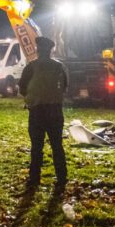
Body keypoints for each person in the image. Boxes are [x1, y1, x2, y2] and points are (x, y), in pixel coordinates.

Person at [19, 37, 68, 188]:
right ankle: (61, 178)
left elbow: (22, 88)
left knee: (36, 147)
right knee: (57, 146)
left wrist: (32, 97)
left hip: (37, 111)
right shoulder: (59, 67)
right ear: (51, 50)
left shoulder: (31, 67)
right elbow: (65, 86)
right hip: (55, 111)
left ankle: (34, 179)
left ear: (38, 50)